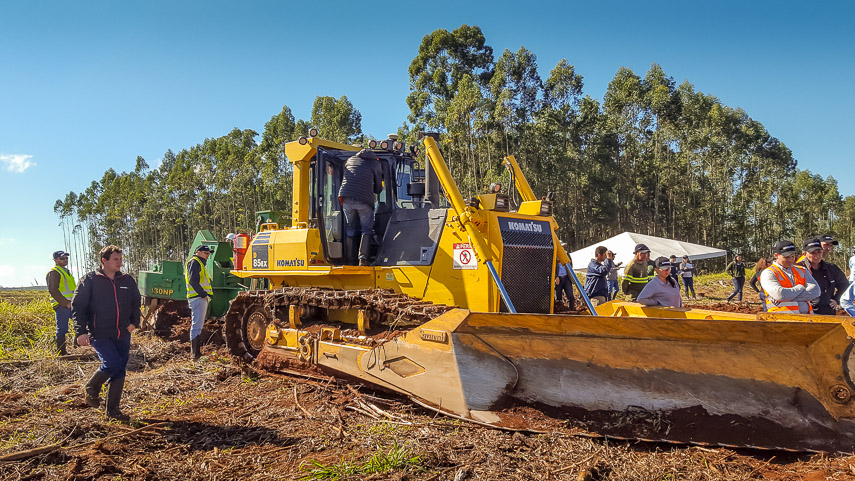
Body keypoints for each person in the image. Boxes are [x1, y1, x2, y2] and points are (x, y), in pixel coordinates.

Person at [73, 245, 141, 421]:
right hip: (100, 332)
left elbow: (136, 301)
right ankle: (91, 387)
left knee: (120, 370)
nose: (120, 263)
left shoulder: (126, 280)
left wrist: (134, 322)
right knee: (111, 363)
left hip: (123, 332)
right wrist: (81, 332)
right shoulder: (90, 280)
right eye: (115, 259)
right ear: (104, 261)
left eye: (120, 259)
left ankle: (113, 411)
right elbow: (78, 306)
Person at [338, 149, 383, 265]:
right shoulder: (374, 163)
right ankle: (363, 259)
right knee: (366, 229)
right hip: (363, 201)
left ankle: (349, 258)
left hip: (346, 198)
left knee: (350, 228)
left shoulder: (350, 160)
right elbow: (378, 188)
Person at [759, 240, 820, 314]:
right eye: (786, 257)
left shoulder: (802, 270)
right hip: (780, 319)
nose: (790, 260)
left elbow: (816, 291)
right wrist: (800, 287)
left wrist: (789, 297)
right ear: (776, 256)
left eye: (792, 256)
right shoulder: (768, 272)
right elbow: (780, 294)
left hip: (806, 318)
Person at [797, 238, 848, 315]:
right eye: (813, 253)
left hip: (827, 312)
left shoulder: (831, 268)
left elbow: (844, 285)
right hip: (804, 313)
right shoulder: (797, 268)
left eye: (819, 252)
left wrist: (836, 300)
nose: (817, 255)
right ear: (804, 254)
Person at [185, 245, 213, 360]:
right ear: (198, 252)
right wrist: (202, 294)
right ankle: (195, 354)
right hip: (197, 297)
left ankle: (196, 353)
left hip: (198, 297)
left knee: (198, 325)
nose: (208, 255)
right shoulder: (195, 262)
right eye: (205, 253)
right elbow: (193, 280)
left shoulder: (198, 263)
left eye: (208, 253)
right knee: (197, 325)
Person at [46, 250, 75, 356]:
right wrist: (65, 303)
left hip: (71, 304)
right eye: (62, 258)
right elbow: (53, 290)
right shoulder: (54, 272)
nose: (65, 260)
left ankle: (78, 347)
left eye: (66, 258)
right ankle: (61, 353)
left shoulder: (66, 272)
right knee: (62, 328)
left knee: (79, 324)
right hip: (61, 305)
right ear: (55, 260)